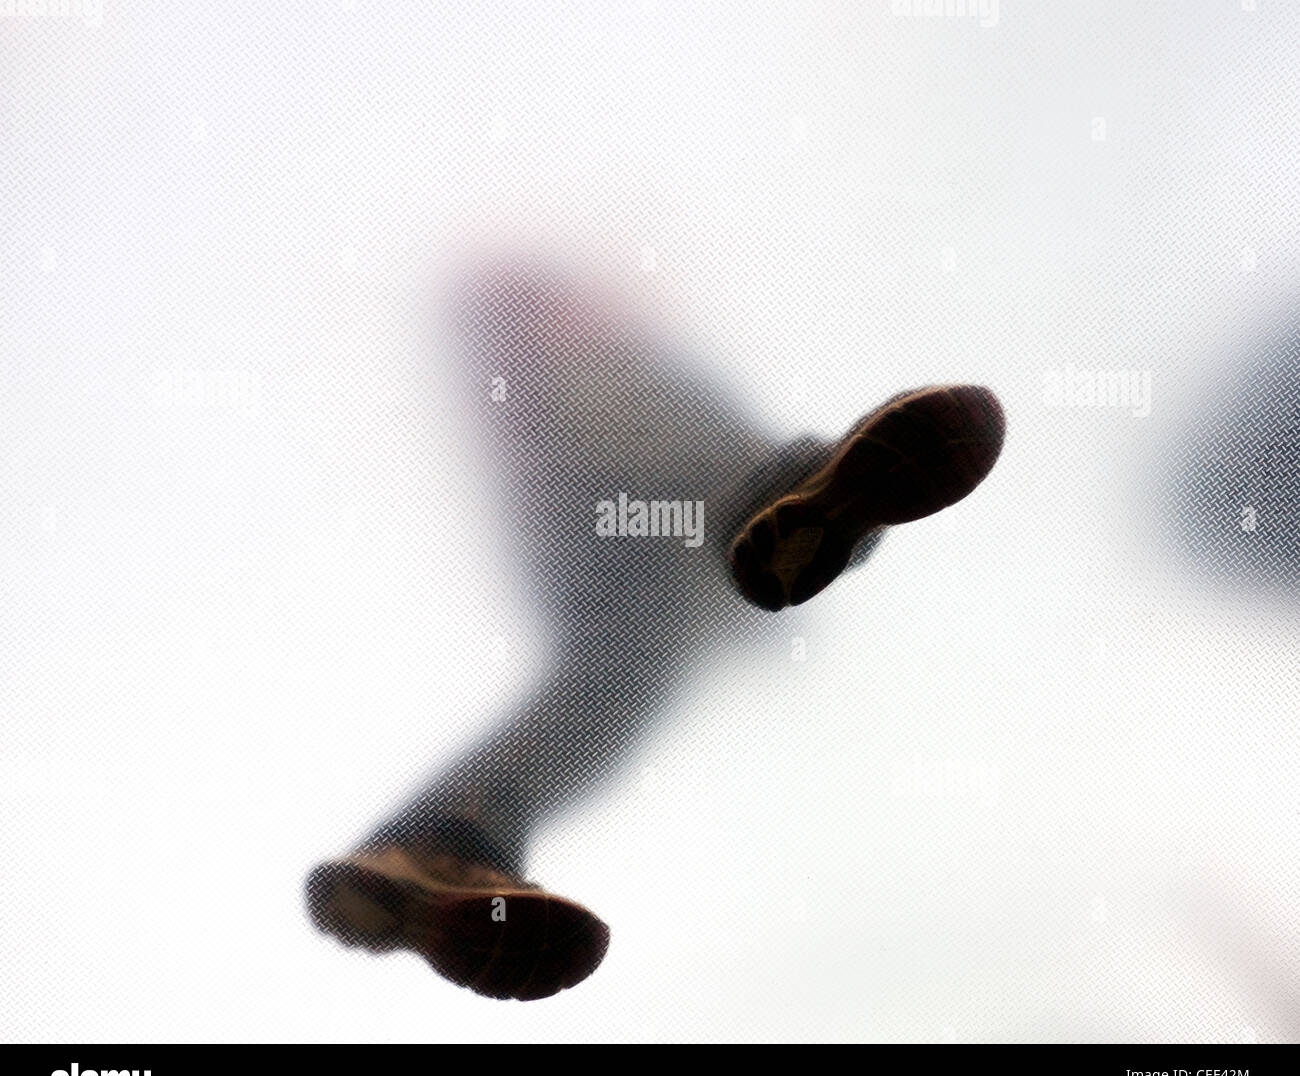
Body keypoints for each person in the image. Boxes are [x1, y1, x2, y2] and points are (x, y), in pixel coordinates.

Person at [306, 256, 1006, 999]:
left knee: (613, 682)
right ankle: (786, 506)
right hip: (637, 495)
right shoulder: (590, 357)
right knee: (694, 489)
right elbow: (549, 350)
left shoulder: (573, 369)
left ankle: (438, 846)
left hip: (625, 558)